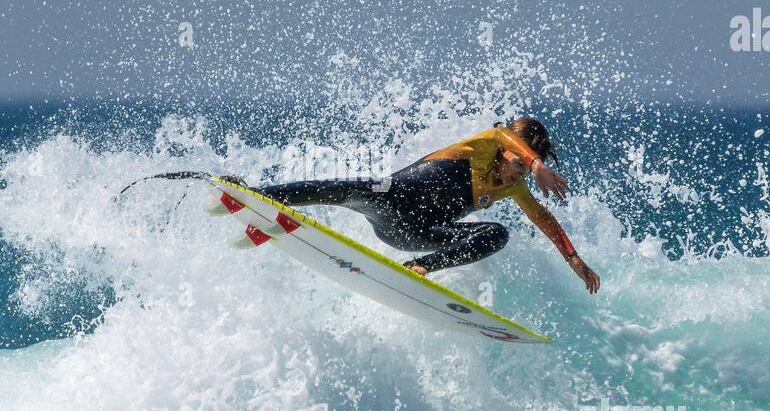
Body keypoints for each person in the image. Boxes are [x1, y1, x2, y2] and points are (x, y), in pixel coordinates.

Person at [252, 117, 601, 293]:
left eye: (526, 169)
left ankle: (419, 268)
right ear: (507, 151)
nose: (519, 174)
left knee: (496, 234)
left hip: (418, 235)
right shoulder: (483, 147)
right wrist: (538, 165)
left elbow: (541, 215)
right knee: (346, 185)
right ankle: (258, 195)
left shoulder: (512, 188)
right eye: (518, 164)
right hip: (391, 201)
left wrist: (573, 257)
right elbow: (498, 135)